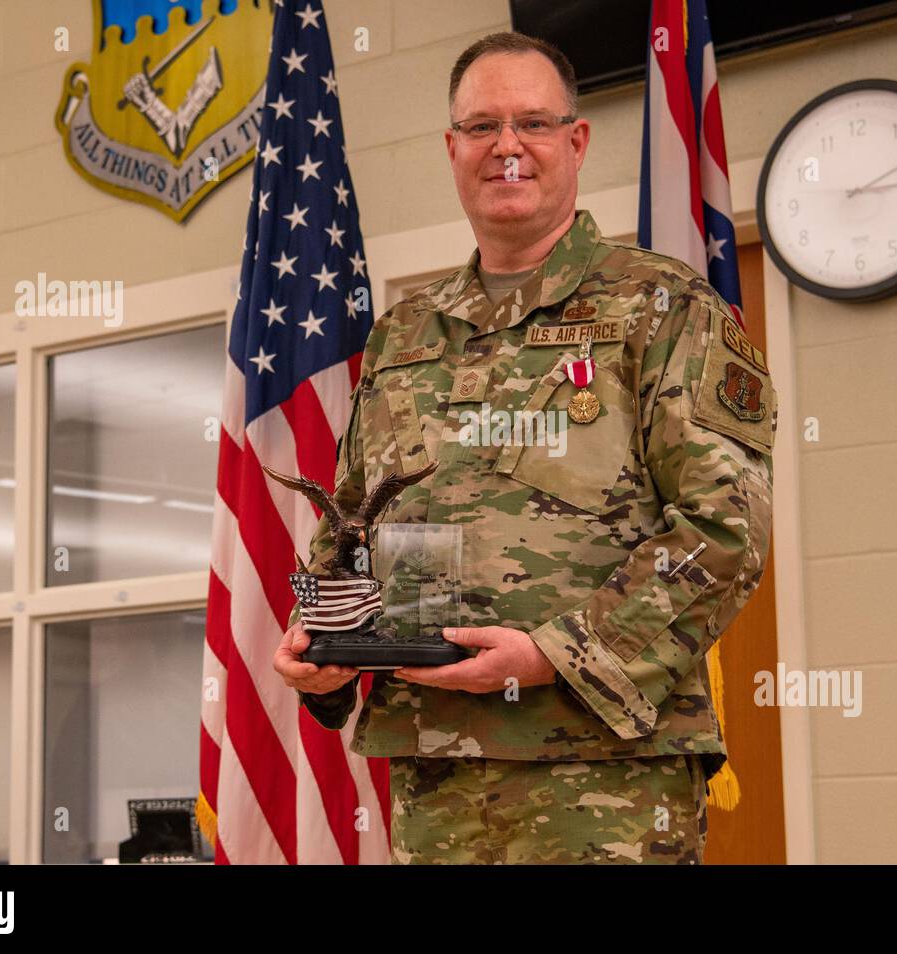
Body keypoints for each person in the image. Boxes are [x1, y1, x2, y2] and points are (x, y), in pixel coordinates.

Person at [273, 31, 775, 864]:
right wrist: (324, 648)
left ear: (575, 142)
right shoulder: (403, 336)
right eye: (482, 127)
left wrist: (555, 654)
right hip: (436, 779)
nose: (507, 147)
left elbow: (725, 532)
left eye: (533, 123)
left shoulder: (663, 307)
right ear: (451, 148)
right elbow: (351, 533)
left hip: (603, 778)